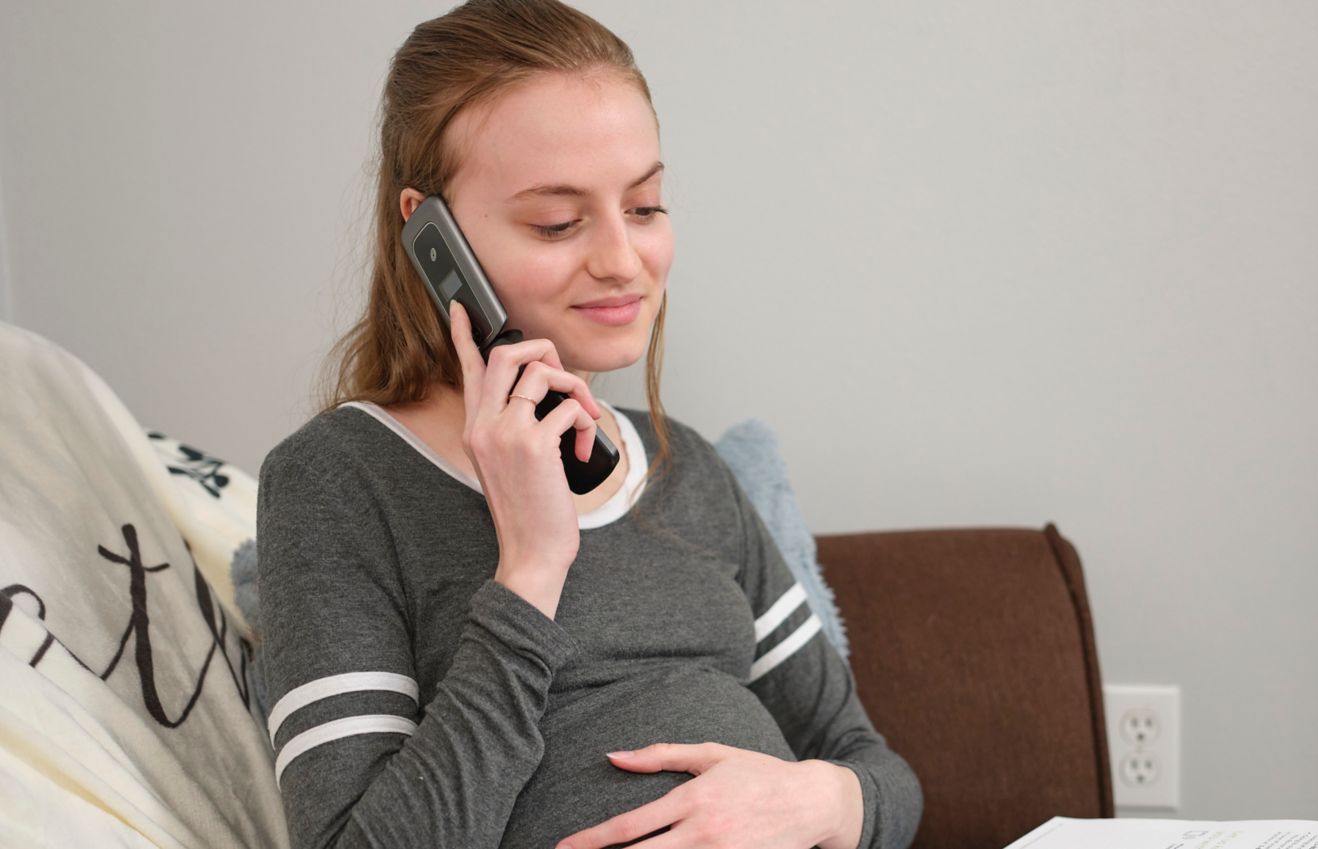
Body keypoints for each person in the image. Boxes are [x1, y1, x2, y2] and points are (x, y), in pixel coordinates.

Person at [254, 2, 923, 848]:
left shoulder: (690, 470)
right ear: (433, 237)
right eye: (557, 221)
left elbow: (879, 773)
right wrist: (531, 568)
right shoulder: (338, 482)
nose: (621, 258)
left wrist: (814, 801)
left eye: (643, 206)